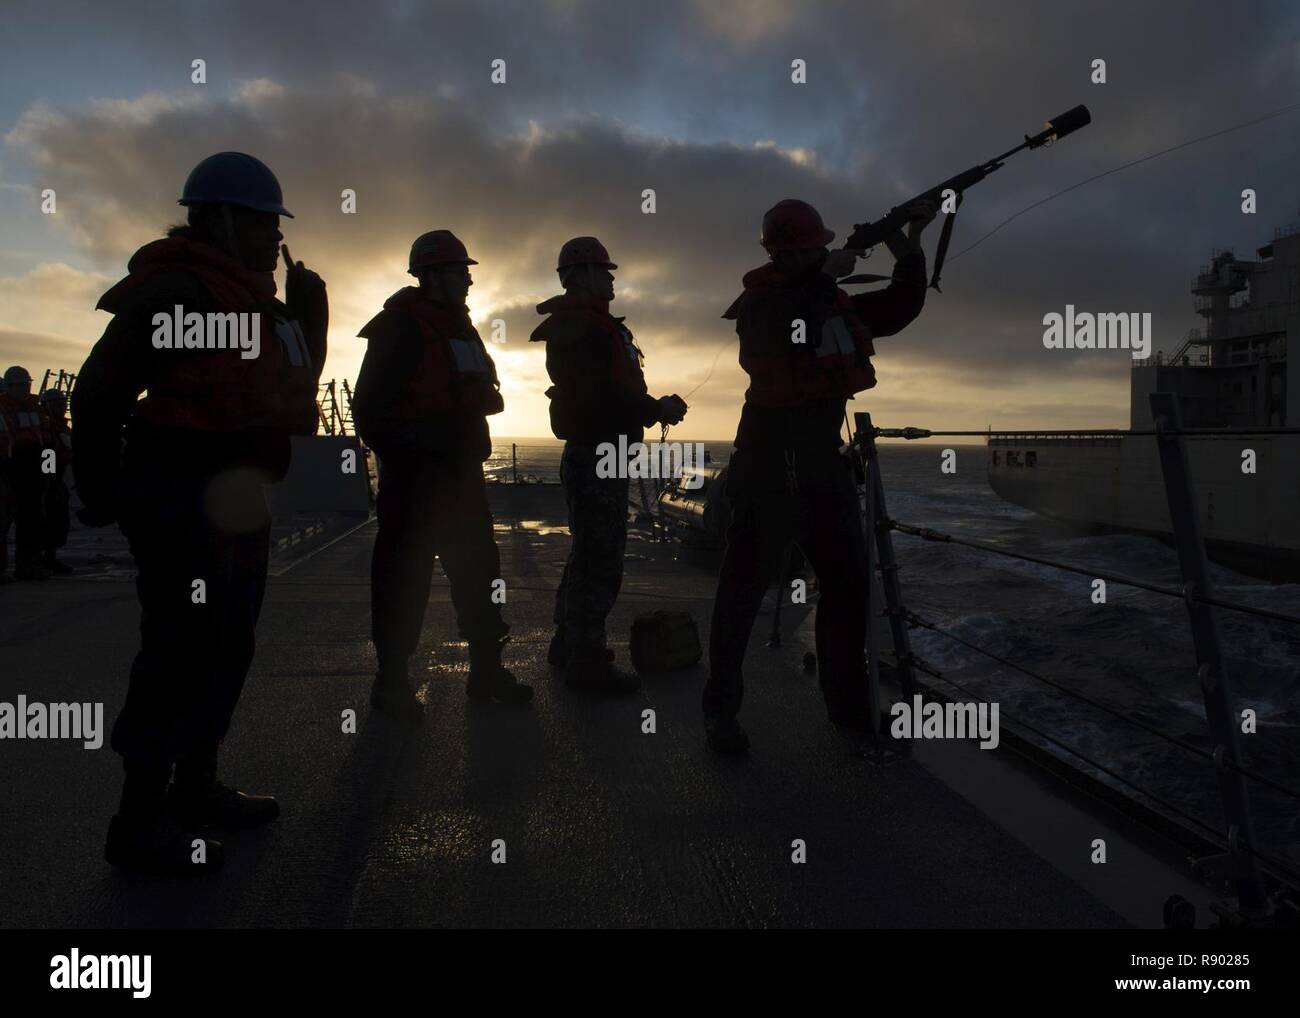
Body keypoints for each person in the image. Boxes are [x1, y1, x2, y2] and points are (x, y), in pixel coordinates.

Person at [73, 151, 327, 874]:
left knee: (227, 642)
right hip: (181, 496)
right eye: (261, 224)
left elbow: (289, 398)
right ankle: (140, 820)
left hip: (240, 504)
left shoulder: (258, 305)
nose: (276, 239)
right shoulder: (179, 294)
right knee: (179, 651)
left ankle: (196, 787)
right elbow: (99, 393)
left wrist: (308, 320)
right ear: (220, 219)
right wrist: (101, 490)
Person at [703, 197, 936, 754]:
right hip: (767, 468)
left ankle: (849, 708)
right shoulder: (761, 305)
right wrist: (824, 279)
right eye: (816, 249)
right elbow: (784, 335)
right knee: (743, 589)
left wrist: (910, 240)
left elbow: (902, 306)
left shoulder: (828, 302)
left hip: (821, 467)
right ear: (789, 253)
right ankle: (720, 712)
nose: (826, 254)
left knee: (849, 585)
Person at [353, 229, 532, 722]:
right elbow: (369, 411)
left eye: (469, 272)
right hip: (414, 483)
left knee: (481, 575)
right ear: (432, 276)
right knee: (403, 581)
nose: (469, 281)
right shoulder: (400, 329)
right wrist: (414, 455)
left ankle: (487, 670)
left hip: (462, 478)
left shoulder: (461, 330)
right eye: (460, 272)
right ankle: (391, 684)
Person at [531, 237, 687, 693]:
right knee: (600, 557)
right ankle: (588, 662)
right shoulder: (581, 329)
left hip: (602, 450)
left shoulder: (591, 327)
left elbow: (608, 394)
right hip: (599, 452)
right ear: (581, 276)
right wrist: (654, 408)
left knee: (588, 551)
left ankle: (569, 642)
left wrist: (649, 408)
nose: (612, 277)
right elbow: (601, 396)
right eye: (605, 270)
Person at [0, 366, 50, 582]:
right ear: (10, 387)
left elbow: (48, 442)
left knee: (32, 522)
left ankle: (29, 566)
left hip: (35, 469)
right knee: (4, 521)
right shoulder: (4, 410)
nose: (25, 388)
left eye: (27, 384)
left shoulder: (36, 409)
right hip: (12, 469)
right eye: (21, 385)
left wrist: (49, 472)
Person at [38, 388, 73, 574]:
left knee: (59, 521)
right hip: (49, 481)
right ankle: (43, 558)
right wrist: (50, 480)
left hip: (57, 479)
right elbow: (47, 454)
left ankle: (50, 557)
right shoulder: (47, 426)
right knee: (48, 520)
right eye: (57, 404)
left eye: (62, 404)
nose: (61, 407)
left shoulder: (62, 427)